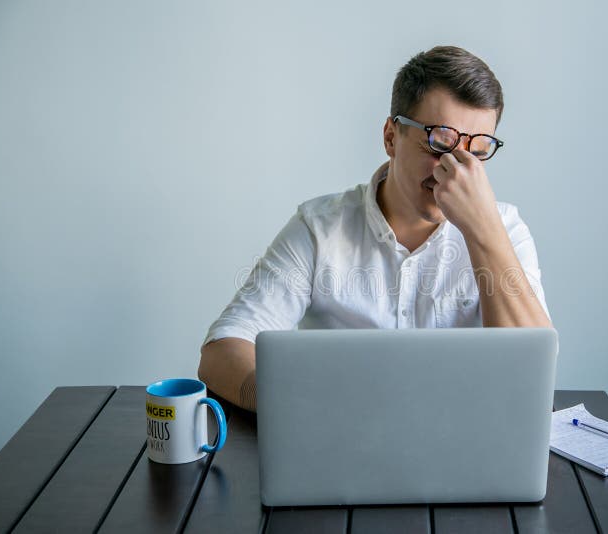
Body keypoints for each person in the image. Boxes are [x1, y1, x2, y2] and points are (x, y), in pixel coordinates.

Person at [198, 45, 553, 412]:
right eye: (438, 144)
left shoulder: (506, 230)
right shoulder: (320, 229)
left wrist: (482, 230)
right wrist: (298, 408)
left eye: (476, 154)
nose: (455, 172)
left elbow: (535, 373)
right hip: (340, 445)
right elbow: (223, 351)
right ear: (390, 137)